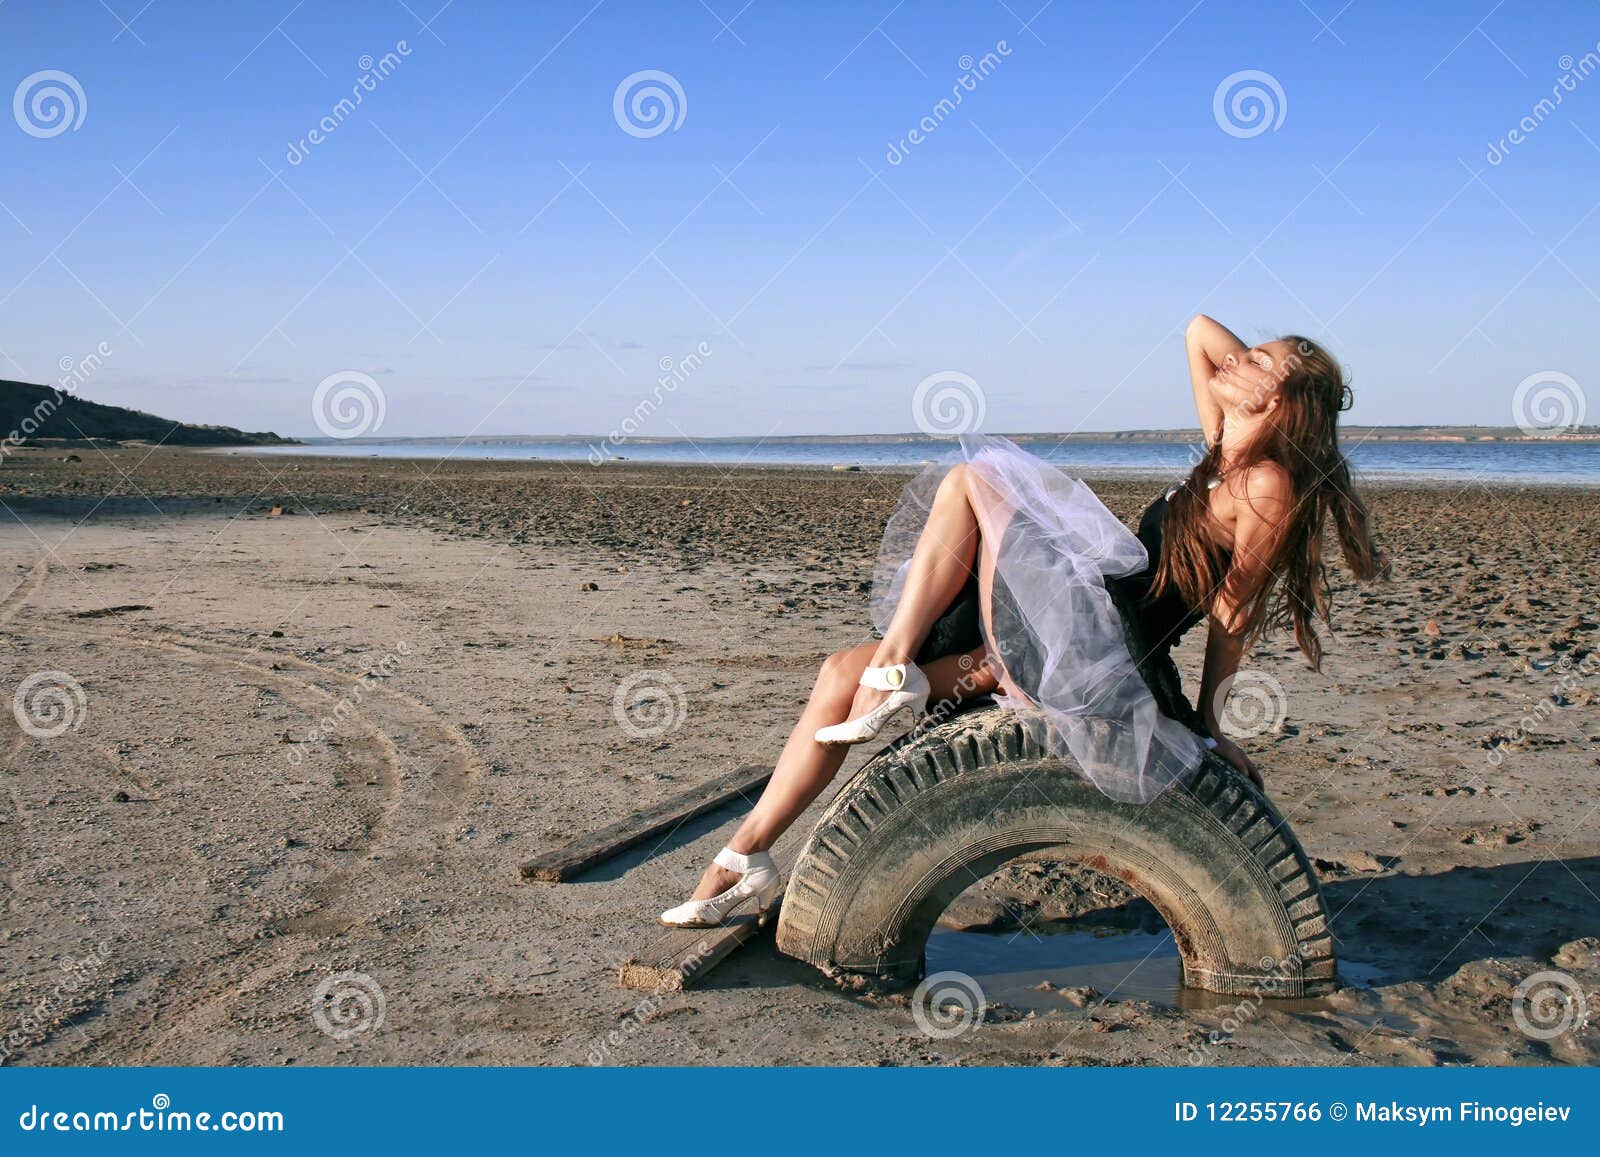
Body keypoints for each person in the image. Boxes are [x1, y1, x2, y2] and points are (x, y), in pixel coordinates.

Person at [660, 315, 1385, 928]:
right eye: (1250, 352)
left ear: (1284, 399)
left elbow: (1233, 614)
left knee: (973, 480)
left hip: (1108, 652)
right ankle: (744, 854)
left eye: (1259, 361)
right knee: (835, 676)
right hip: (1067, 624)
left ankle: (905, 664)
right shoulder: (1226, 443)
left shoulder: (1268, 483)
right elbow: (1197, 329)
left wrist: (1208, 723)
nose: (1237, 358)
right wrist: (1270, 368)